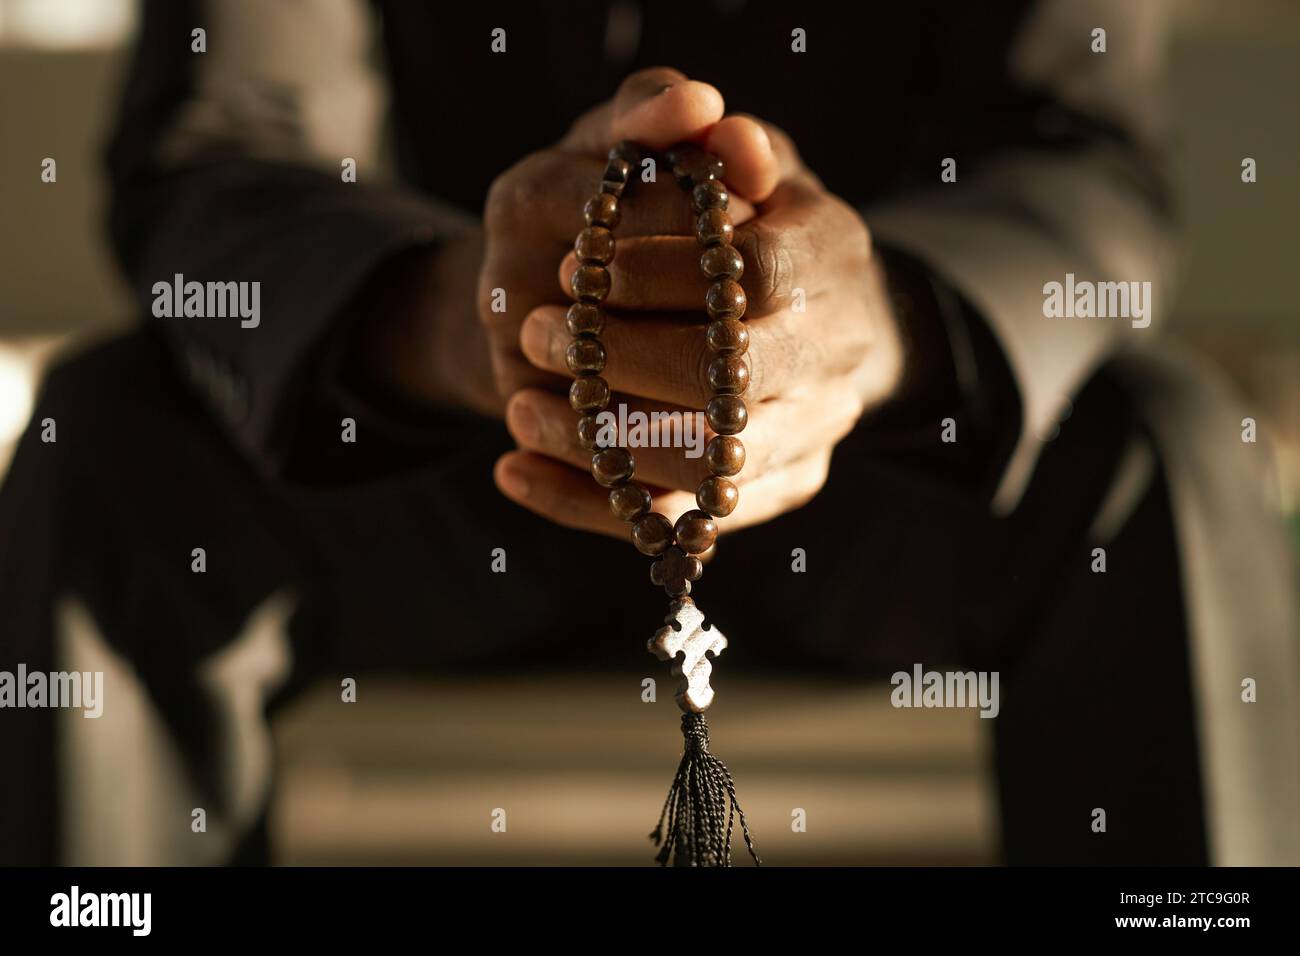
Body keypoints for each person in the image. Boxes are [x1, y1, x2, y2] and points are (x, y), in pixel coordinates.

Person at [1, 0, 1296, 866]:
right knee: (111, 440)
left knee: (1161, 442)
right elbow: (224, 138)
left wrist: (876, 330)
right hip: (431, 462)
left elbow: (1085, 152)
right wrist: (466, 323)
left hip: (883, 476)